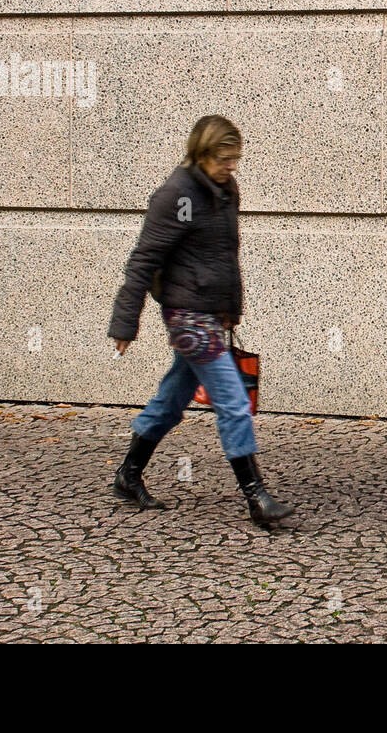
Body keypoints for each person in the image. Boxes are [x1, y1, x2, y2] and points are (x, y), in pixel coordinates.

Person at [107, 115, 292, 529]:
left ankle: (128, 474)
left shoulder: (225, 190)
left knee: (172, 400)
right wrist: (125, 324)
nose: (232, 166)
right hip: (186, 315)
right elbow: (143, 261)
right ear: (202, 153)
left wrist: (230, 309)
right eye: (224, 158)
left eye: (236, 158)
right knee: (232, 399)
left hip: (210, 314)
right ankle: (256, 496)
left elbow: (224, 255)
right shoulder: (177, 195)